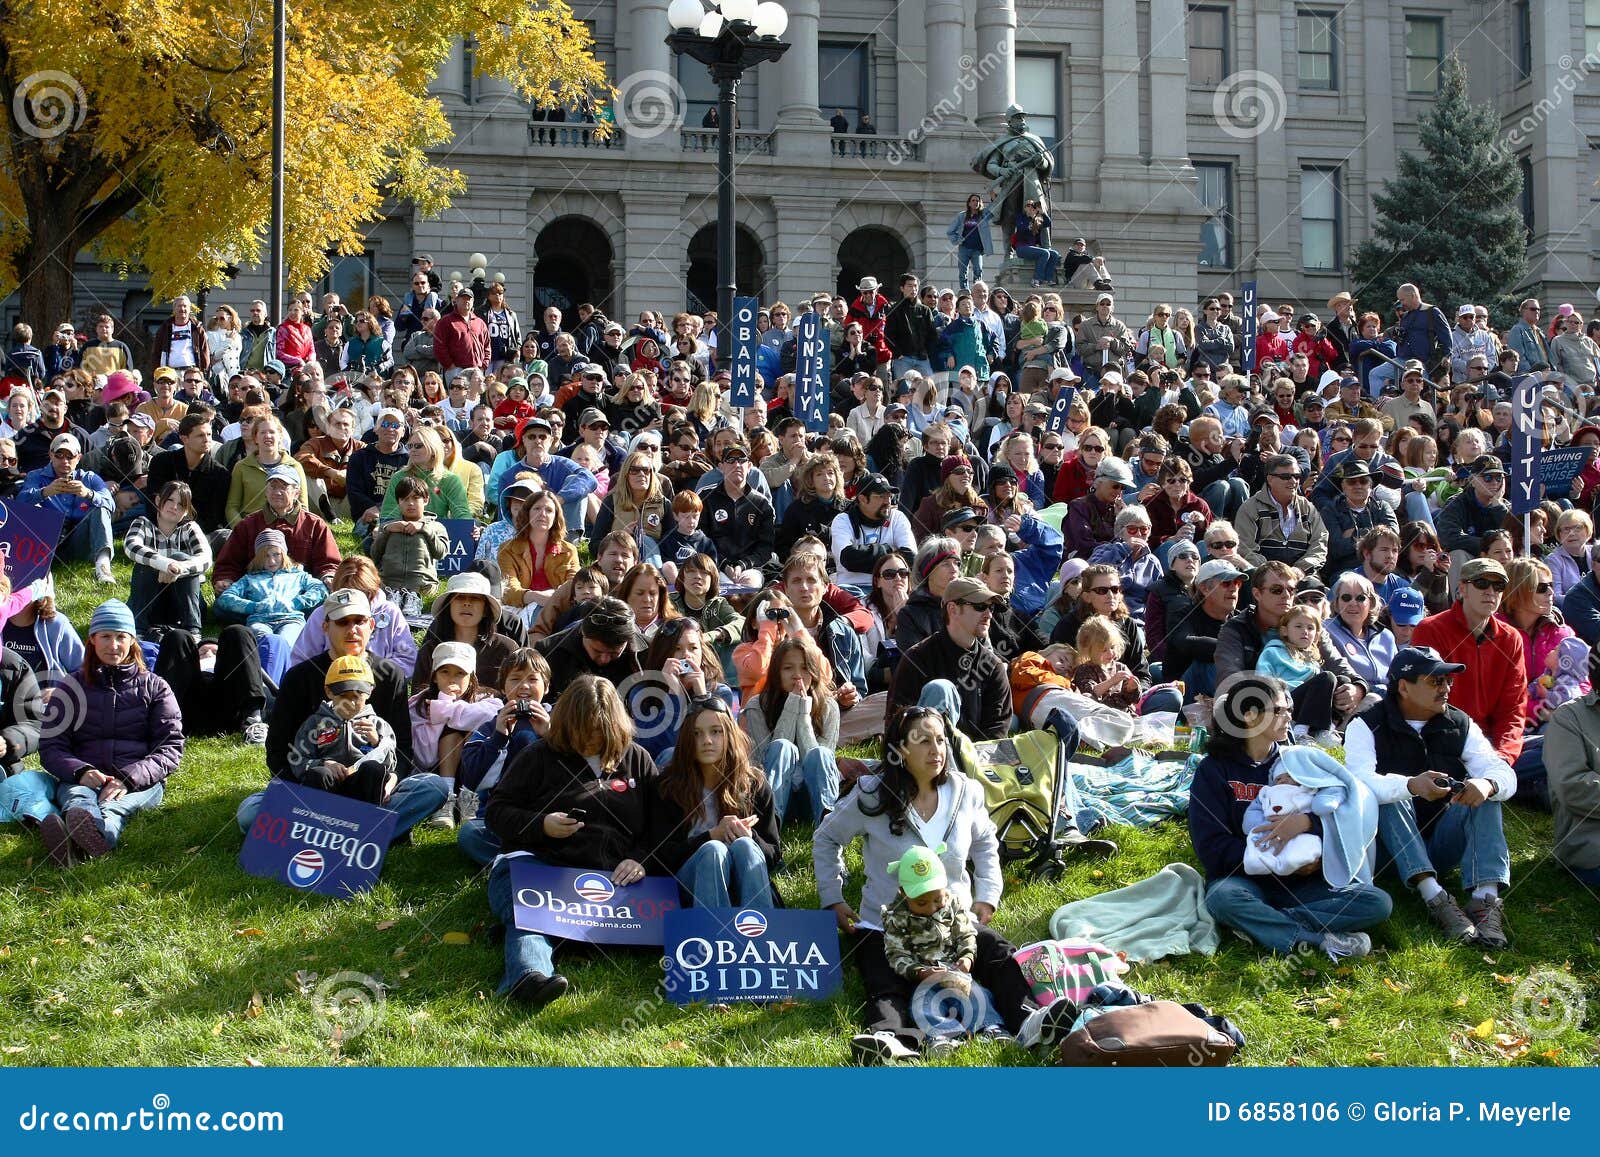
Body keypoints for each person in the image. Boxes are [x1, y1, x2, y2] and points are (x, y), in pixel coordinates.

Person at [813, 707, 1033, 1063]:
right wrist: (833, 898)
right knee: (885, 981)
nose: (937, 749)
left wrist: (988, 895)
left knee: (999, 956)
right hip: (886, 924)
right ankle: (891, 1040)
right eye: (923, 740)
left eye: (941, 739)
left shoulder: (965, 791)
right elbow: (826, 839)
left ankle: (1029, 1021)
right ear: (899, 750)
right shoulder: (871, 794)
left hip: (953, 922)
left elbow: (985, 843)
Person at [483, 675, 659, 1008]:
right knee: (528, 910)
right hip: (540, 866)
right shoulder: (539, 755)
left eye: (599, 730)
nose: (591, 739)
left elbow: (664, 825)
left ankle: (563, 940)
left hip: (608, 880)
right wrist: (542, 825)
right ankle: (528, 977)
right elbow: (496, 812)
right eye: (584, 730)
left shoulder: (636, 759)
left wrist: (641, 858)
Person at [1189, 673, 1390, 959]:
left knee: (1376, 902)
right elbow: (1211, 848)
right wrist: (1274, 864)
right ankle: (1319, 941)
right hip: (1245, 879)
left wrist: (1310, 825)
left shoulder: (1298, 760)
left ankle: (1269, 923)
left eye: (1289, 711)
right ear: (1249, 714)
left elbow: (1345, 812)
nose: (1288, 717)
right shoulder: (1214, 770)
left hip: (1303, 880)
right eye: (1280, 711)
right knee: (1222, 898)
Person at [1344, 647, 1516, 949]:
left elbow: (1501, 771)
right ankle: (1434, 897)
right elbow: (1359, 783)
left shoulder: (1461, 723)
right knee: (1389, 795)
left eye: (1447, 680)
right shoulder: (1365, 724)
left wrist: (1487, 784)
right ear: (1403, 687)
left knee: (1486, 794)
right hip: (1388, 851)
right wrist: (1411, 786)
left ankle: (1484, 900)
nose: (1445, 687)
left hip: (1441, 842)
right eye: (1435, 680)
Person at [36, 600, 184, 866]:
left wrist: (128, 779)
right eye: (105, 636)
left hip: (139, 781)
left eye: (121, 637)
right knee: (77, 800)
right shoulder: (70, 687)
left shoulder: (156, 687)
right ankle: (80, 839)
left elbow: (170, 747)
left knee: (114, 807)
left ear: (132, 641)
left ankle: (90, 838)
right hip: (81, 778)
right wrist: (80, 771)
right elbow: (51, 746)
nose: (113, 645)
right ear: (92, 639)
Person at [647, 696, 779, 910]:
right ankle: (713, 936)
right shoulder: (667, 786)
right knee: (714, 850)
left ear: (729, 734)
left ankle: (761, 935)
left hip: (742, 881)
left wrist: (751, 836)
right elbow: (660, 857)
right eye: (697, 733)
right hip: (686, 888)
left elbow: (773, 855)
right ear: (687, 739)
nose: (707, 740)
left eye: (716, 731)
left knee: (745, 845)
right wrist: (711, 836)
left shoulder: (754, 784)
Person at [1412, 557, 1526, 767]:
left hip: (1493, 746)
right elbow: (1424, 702)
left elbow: (1513, 708)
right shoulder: (1430, 630)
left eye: (1498, 585)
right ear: (1462, 589)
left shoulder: (1511, 639)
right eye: (1482, 583)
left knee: (1552, 750)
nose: (1490, 591)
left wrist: (1503, 756)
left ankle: (1507, 779)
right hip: (1443, 742)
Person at [455, 648, 553, 864]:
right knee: (470, 834)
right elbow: (473, 781)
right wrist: (499, 737)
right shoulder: (488, 728)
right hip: (504, 817)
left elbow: (578, 769)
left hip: (549, 815)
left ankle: (521, 856)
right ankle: (524, 858)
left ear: (546, 686)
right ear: (503, 687)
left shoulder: (562, 723)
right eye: (515, 679)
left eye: (533, 679)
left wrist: (550, 736)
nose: (524, 686)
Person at [887, 577, 1011, 740]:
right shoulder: (918, 657)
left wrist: (969, 759)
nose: (988, 614)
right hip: (922, 757)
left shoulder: (992, 665)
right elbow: (895, 723)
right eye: (980, 606)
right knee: (941, 689)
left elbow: (997, 729)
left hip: (973, 758)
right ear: (952, 609)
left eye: (991, 607)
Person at [741, 634, 842, 824]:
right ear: (776, 673)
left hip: (811, 796)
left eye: (805, 668)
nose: (797, 675)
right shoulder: (757, 706)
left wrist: (803, 715)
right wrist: (792, 705)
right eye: (788, 668)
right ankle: (771, 826)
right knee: (782, 747)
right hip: (775, 796)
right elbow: (765, 763)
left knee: (820, 754)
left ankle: (827, 825)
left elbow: (820, 762)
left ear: (814, 671)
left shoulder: (829, 706)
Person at [285, 654, 399, 807]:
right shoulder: (315, 723)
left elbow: (391, 766)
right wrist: (324, 763)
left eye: (357, 696)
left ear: (369, 692)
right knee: (319, 774)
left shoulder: (377, 724)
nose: (351, 702)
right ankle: (316, 821)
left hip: (362, 789)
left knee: (373, 769)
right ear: (329, 692)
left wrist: (377, 741)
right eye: (343, 695)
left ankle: (369, 821)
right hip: (328, 786)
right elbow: (298, 760)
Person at [20, 433, 116, 583]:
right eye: (59, 455)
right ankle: (36, 568)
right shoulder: (36, 476)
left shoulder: (89, 478)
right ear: (50, 455)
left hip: (80, 541)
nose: (64, 461)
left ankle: (103, 566)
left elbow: (111, 504)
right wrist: (45, 492)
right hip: (46, 545)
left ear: (78, 458)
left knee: (101, 507)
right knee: (35, 509)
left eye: (70, 456)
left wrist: (88, 494)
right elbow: (19, 504)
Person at [124, 480, 211, 641]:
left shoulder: (190, 528)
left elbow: (205, 559)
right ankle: (139, 631)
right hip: (150, 600)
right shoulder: (142, 523)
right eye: (170, 500)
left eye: (181, 504)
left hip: (184, 602)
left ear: (186, 511)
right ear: (158, 501)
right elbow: (131, 546)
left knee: (180, 557)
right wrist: (164, 564)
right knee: (146, 563)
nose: (174, 507)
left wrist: (177, 569)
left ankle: (193, 632)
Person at [1233, 453, 1329, 574]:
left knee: (1316, 589)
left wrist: (1300, 569)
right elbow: (1245, 548)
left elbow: (1319, 544)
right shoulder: (1250, 508)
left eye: (1297, 476)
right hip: (1261, 576)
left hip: (1302, 575)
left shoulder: (1308, 508)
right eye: (1286, 476)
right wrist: (1273, 572)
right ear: (1270, 479)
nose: (1293, 481)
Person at [370, 476, 450, 615]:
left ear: (426, 500)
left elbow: (441, 553)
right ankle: (393, 598)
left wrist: (425, 530)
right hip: (389, 583)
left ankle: (413, 598)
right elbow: (375, 555)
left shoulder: (436, 526)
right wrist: (386, 531)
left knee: (416, 591)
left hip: (422, 583)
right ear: (398, 502)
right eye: (405, 499)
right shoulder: (389, 527)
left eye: (415, 498)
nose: (410, 503)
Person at [700, 443, 775, 588]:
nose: (737, 465)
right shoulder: (706, 498)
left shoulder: (761, 503)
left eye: (742, 460)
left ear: (749, 466)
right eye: (731, 460)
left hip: (750, 568)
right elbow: (700, 539)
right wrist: (723, 564)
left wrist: (743, 564)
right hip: (714, 565)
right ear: (721, 467)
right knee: (723, 586)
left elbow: (765, 547)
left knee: (749, 585)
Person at [539, 596, 643, 698]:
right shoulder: (550, 652)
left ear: (627, 641)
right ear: (583, 632)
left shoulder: (647, 652)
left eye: (613, 653)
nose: (604, 660)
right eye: (597, 651)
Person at [1325, 572, 1396, 699]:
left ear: (1371, 603)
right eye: (1346, 598)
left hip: (1388, 699)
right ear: (1336, 603)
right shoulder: (1326, 631)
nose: (1353, 603)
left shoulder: (1386, 636)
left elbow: (1397, 677)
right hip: (1350, 700)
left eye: (1360, 598)